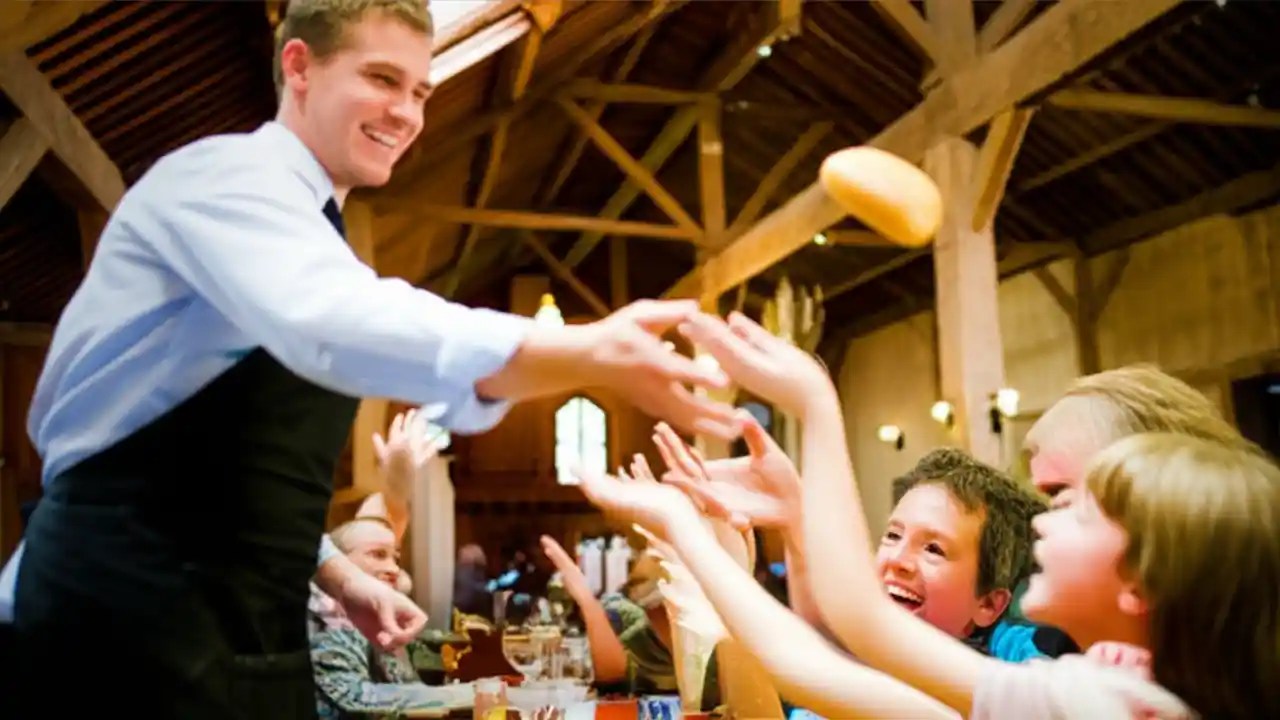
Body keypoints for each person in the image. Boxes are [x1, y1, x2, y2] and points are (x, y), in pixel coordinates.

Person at [0, 2, 739, 717]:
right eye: (382, 79)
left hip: (244, 625)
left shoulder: (311, 236)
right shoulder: (223, 178)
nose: (407, 114)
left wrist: (338, 574)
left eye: (421, 91)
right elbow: (333, 322)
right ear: (299, 66)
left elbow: (223, 470)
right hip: (126, 618)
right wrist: (589, 347)